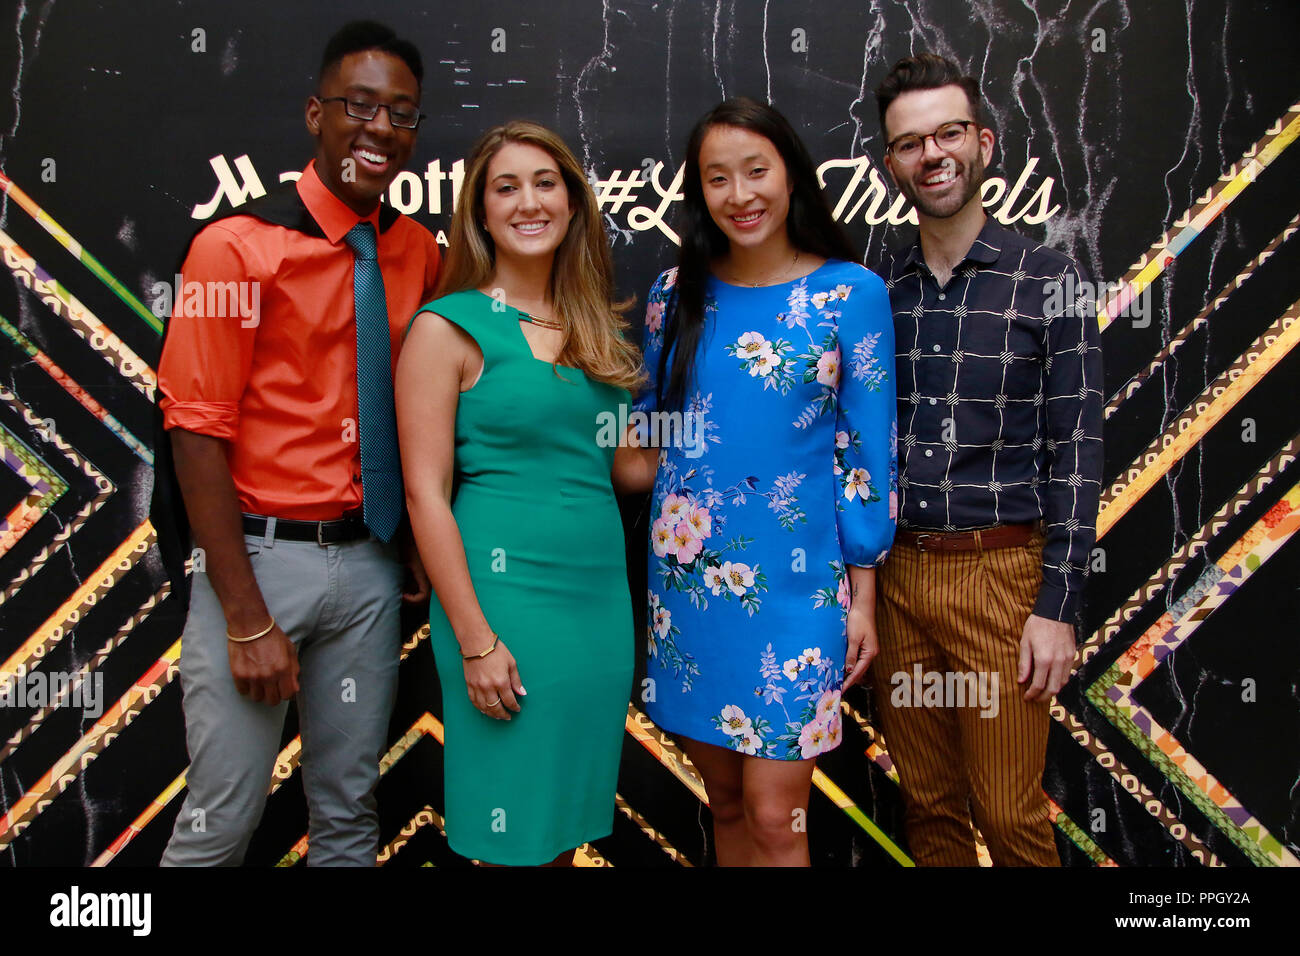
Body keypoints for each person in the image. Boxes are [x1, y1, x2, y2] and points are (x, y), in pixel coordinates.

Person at [156, 21, 441, 866]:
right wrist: (245, 617)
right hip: (256, 562)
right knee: (221, 822)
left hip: (370, 564)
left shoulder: (416, 251)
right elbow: (195, 433)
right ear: (315, 115)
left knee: (349, 815)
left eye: (401, 113)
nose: (380, 128)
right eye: (359, 105)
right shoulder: (234, 248)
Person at [624, 97, 896, 866]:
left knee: (781, 820)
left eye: (756, 171)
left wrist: (863, 596)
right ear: (699, 192)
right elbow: (652, 429)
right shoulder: (674, 293)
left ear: (791, 176)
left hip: (799, 595)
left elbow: (867, 459)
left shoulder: (851, 294)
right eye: (718, 178)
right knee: (730, 803)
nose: (740, 195)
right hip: (691, 589)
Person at [871, 53, 1103, 866]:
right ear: (891, 163)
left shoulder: (1049, 281)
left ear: (985, 144)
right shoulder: (876, 290)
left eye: (949, 133)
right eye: (909, 143)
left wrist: (1059, 604)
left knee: (1009, 817)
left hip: (1002, 579)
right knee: (928, 811)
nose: (931, 154)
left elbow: (1078, 448)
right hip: (896, 574)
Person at [396, 120, 643, 866]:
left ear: (572, 204)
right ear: (480, 211)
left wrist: (740, 430)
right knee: (509, 842)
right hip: (503, 605)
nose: (528, 202)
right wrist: (477, 642)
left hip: (597, 611)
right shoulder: (447, 327)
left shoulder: (594, 329)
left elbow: (628, 467)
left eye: (545, 183)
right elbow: (423, 494)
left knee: (559, 832)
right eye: (506, 187)